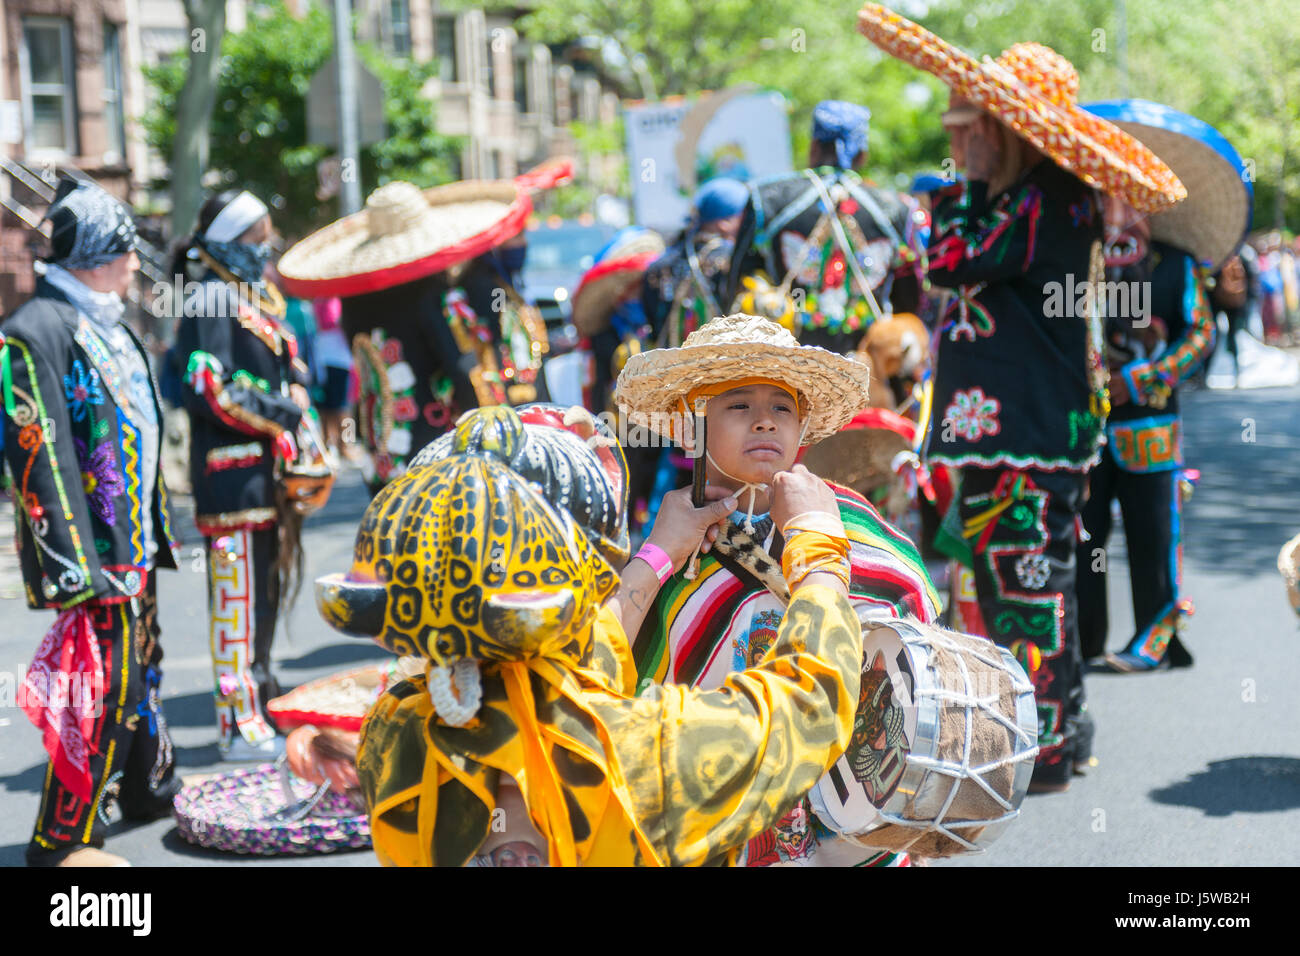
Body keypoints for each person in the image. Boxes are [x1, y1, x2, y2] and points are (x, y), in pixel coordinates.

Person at [858, 4, 1186, 791]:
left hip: (1026, 431)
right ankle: (1056, 732)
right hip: (1019, 428)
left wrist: (965, 182)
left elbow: (944, 261)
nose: (955, 135)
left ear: (1005, 129)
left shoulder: (1041, 198)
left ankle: (1043, 742)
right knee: (1026, 578)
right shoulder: (1035, 196)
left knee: (1026, 580)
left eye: (969, 124)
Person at [316, 405, 865, 866]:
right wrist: (816, 547)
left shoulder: (397, 730)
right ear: (589, 577)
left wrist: (656, 558)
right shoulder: (641, 753)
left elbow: (560, 668)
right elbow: (809, 702)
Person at [614, 313, 941, 865]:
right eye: (739, 405)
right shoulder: (671, 553)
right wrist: (656, 555)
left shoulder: (850, 526)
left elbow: (912, 636)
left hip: (849, 824)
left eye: (782, 408)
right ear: (694, 425)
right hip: (717, 821)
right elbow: (604, 672)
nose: (765, 422)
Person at [2, 179, 180, 866]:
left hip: (130, 548)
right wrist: (77, 565)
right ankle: (59, 840)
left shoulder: (104, 322)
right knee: (99, 694)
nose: (136, 265)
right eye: (127, 252)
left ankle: (143, 787)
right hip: (94, 559)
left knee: (138, 676)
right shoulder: (31, 333)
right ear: (101, 254)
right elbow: (38, 459)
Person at [1077, 99, 1251, 672]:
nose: (1118, 207)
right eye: (1107, 193)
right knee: (1085, 532)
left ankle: (1155, 637)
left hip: (1150, 423)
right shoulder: (1076, 263)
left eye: (1130, 195)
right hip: (1086, 427)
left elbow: (1199, 335)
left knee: (1154, 528)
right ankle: (1084, 639)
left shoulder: (1174, 267)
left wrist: (1142, 377)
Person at [277, 180, 549, 494]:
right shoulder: (429, 292)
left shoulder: (352, 299)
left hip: (381, 448)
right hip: (435, 450)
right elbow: (458, 364)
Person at [173, 188, 315, 760]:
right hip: (230, 481)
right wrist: (287, 410)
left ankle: (260, 698)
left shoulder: (245, 298)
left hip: (263, 475)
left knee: (264, 593)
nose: (268, 248)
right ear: (232, 242)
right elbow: (210, 385)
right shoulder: (209, 297)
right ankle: (237, 723)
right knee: (238, 599)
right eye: (259, 239)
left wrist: (293, 388)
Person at [725, 99, 927, 354]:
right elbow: (909, 301)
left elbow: (737, 279)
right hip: (865, 370)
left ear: (813, 147)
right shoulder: (896, 209)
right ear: (862, 154)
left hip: (783, 365)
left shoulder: (768, 197)